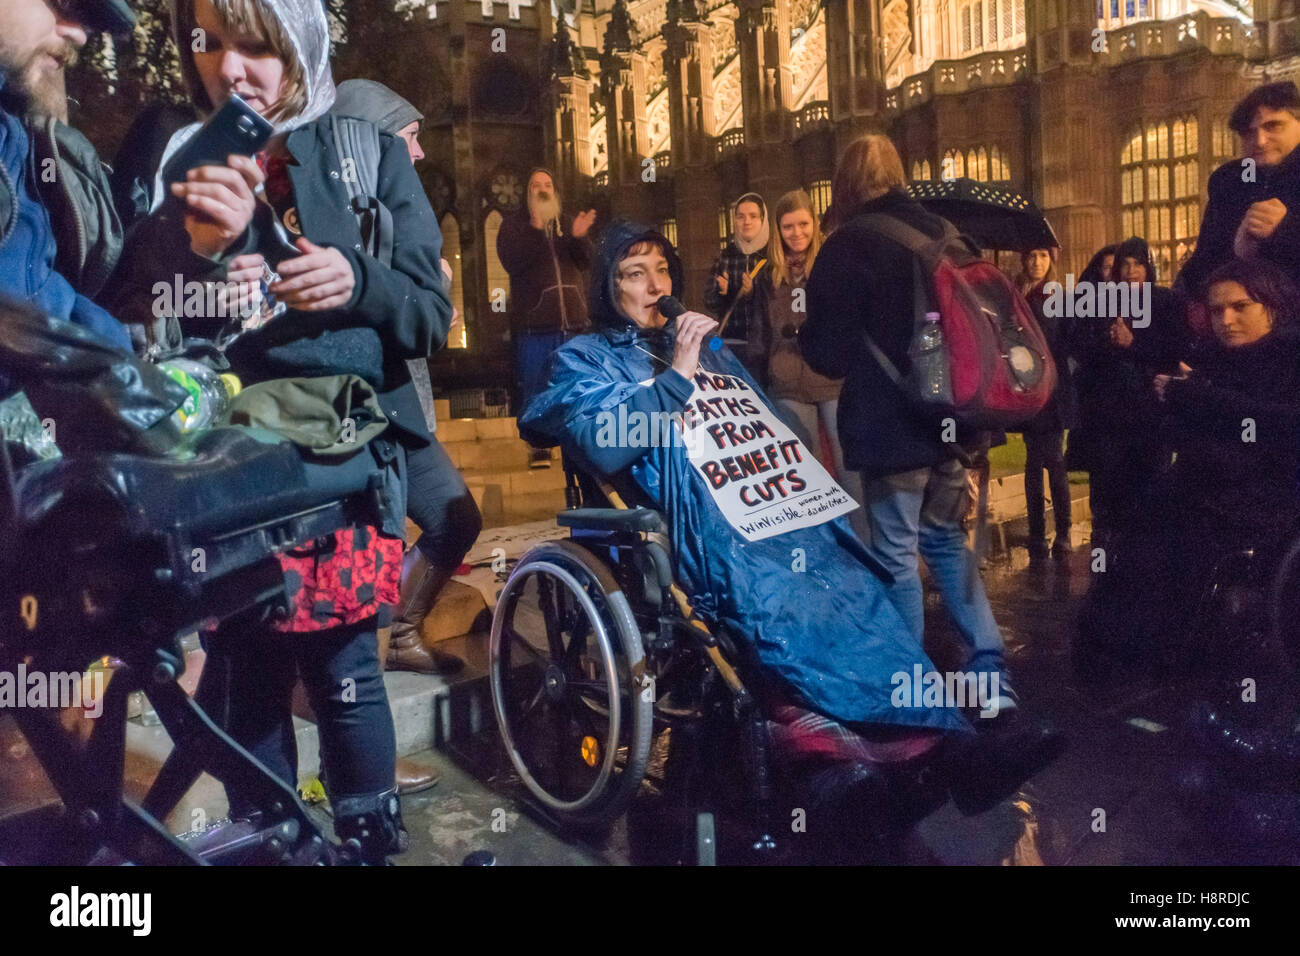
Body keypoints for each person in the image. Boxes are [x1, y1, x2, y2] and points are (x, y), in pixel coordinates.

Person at [520, 219, 1064, 827]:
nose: (655, 285)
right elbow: (603, 442)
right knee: (775, 599)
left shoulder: (704, 344)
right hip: (695, 525)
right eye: (634, 273)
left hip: (770, 508)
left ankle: (952, 744)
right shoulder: (584, 358)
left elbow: (759, 423)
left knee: (853, 581)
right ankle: (837, 751)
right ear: (607, 286)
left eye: (662, 270)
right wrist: (676, 374)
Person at [109, 0, 454, 862]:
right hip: (233, 469)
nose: (230, 68)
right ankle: (275, 844)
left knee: (344, 673)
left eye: (256, 45)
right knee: (249, 683)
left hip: (340, 461)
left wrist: (356, 280)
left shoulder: (365, 149)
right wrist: (194, 269)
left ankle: (369, 845)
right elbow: (115, 304)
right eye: (211, 43)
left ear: (300, 44)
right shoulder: (175, 154)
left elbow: (428, 312)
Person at [799, 134, 1015, 706]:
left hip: (891, 426)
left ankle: (911, 686)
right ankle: (991, 672)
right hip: (951, 420)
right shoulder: (944, 233)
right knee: (946, 542)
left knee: (895, 553)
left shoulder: (847, 246)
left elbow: (826, 355)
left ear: (845, 185)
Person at [331, 78, 480, 683]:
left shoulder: (396, 217)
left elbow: (422, 325)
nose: (417, 154)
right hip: (349, 414)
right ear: (370, 139)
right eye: (409, 138)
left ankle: (401, 631)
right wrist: (419, 291)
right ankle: (351, 681)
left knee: (455, 517)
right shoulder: (326, 216)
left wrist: (431, 293)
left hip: (398, 406)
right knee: (362, 550)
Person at [1081, 258, 1300, 667]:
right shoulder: (1216, 361)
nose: (1226, 320)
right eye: (1217, 310)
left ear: (1273, 305)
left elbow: (1277, 427)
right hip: (1199, 492)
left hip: (1261, 507)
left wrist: (1201, 400)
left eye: (1240, 307)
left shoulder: (1288, 358)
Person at [0, 0, 133, 359]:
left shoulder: (12, 134)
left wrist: (126, 353)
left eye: (88, 20)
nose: (78, 33)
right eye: (63, 3)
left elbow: (34, 294)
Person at [1066, 236, 1186, 547]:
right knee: (1108, 494)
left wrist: (1134, 344)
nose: (1132, 270)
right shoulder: (1101, 303)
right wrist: (1109, 342)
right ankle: (1106, 559)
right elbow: (1082, 349)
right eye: (1125, 264)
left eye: (1138, 263)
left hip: (1150, 416)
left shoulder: (1164, 302)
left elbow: (1173, 351)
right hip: (1109, 416)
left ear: (1149, 267)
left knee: (1150, 489)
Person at [762, 188, 867, 542]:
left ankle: (863, 547)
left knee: (849, 464)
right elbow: (759, 331)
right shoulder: (767, 273)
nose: (797, 233)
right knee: (805, 472)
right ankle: (821, 548)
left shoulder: (832, 262)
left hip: (832, 376)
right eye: (788, 226)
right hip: (788, 381)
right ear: (778, 230)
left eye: (803, 224)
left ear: (814, 223)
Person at [496, 166, 595, 466]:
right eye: (536, 184)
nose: (542, 189)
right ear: (528, 194)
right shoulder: (514, 227)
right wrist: (537, 229)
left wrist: (579, 238)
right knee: (537, 384)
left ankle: (579, 440)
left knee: (577, 385)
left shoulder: (568, 225)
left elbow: (588, 261)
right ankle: (539, 445)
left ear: (555, 191)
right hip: (536, 327)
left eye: (548, 184)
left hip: (575, 326)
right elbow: (512, 262)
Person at [1178, 81, 1300, 297]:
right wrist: (1237, 250)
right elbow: (1202, 264)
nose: (1260, 141)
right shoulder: (1229, 182)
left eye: (1273, 126)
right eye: (1248, 132)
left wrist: (1286, 229)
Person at [1013, 246, 1075, 564]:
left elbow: (1064, 343)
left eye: (1042, 256)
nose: (1036, 262)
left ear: (1051, 261)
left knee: (1052, 461)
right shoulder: (1016, 296)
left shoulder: (1057, 297)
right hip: (1029, 389)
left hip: (1051, 391)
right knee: (1035, 464)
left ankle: (1061, 531)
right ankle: (1039, 533)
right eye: (1031, 256)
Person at [704, 191, 771, 384]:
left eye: (753, 216)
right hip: (731, 346)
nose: (746, 222)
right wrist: (721, 292)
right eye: (740, 216)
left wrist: (752, 293)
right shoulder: (726, 256)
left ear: (763, 219)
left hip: (763, 349)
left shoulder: (772, 257)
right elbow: (709, 302)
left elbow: (778, 303)